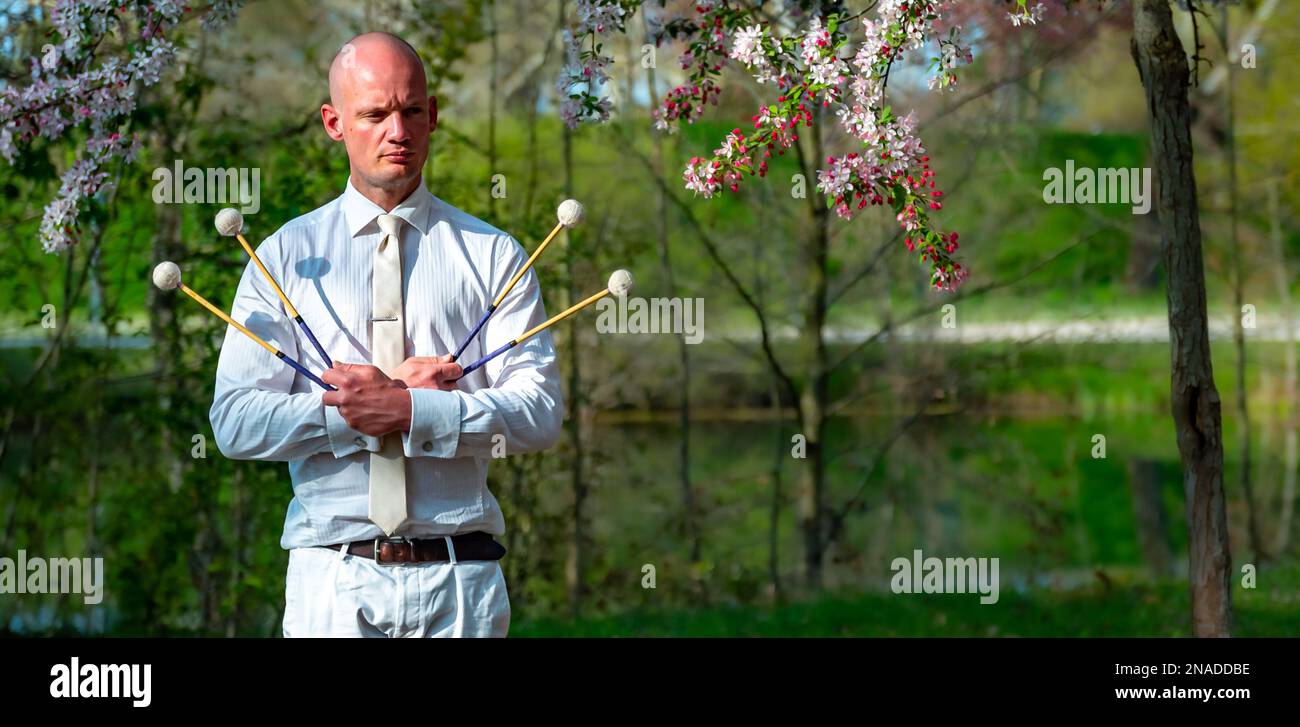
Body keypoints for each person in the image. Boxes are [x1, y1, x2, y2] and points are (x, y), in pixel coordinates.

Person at [208, 31, 563, 637]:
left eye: (412, 110)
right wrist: (355, 414)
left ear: (433, 117)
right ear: (334, 122)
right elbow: (235, 422)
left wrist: (412, 409)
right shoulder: (283, 257)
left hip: (462, 583)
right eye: (374, 113)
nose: (396, 131)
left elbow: (540, 414)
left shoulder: (494, 255)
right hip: (332, 584)